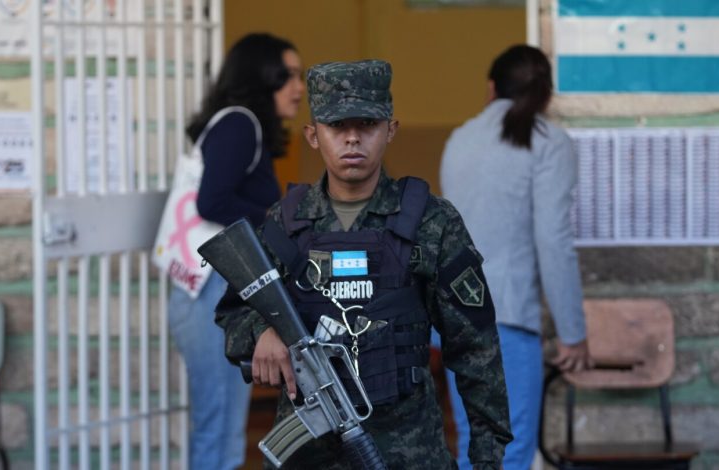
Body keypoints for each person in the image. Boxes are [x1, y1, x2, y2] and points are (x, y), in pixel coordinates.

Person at [214, 59, 512, 469]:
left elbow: (477, 351)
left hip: (407, 451)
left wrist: (487, 458)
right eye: (337, 127)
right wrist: (260, 331)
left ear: (390, 130)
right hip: (307, 454)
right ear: (313, 135)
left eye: (367, 125)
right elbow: (233, 309)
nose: (352, 139)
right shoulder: (284, 223)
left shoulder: (431, 221)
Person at [439, 44, 593, 470]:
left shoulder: (460, 139)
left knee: (474, 444)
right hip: (507, 318)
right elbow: (553, 239)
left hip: (456, 318)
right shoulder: (548, 141)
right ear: (546, 94)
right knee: (511, 447)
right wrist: (572, 331)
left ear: (491, 88)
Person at [167, 32, 304, 470]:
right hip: (211, 291)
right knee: (219, 426)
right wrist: (277, 221)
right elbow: (212, 202)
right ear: (262, 78)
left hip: (210, 290)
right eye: (289, 76)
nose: (299, 87)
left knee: (223, 426)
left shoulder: (243, 126)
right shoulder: (239, 123)